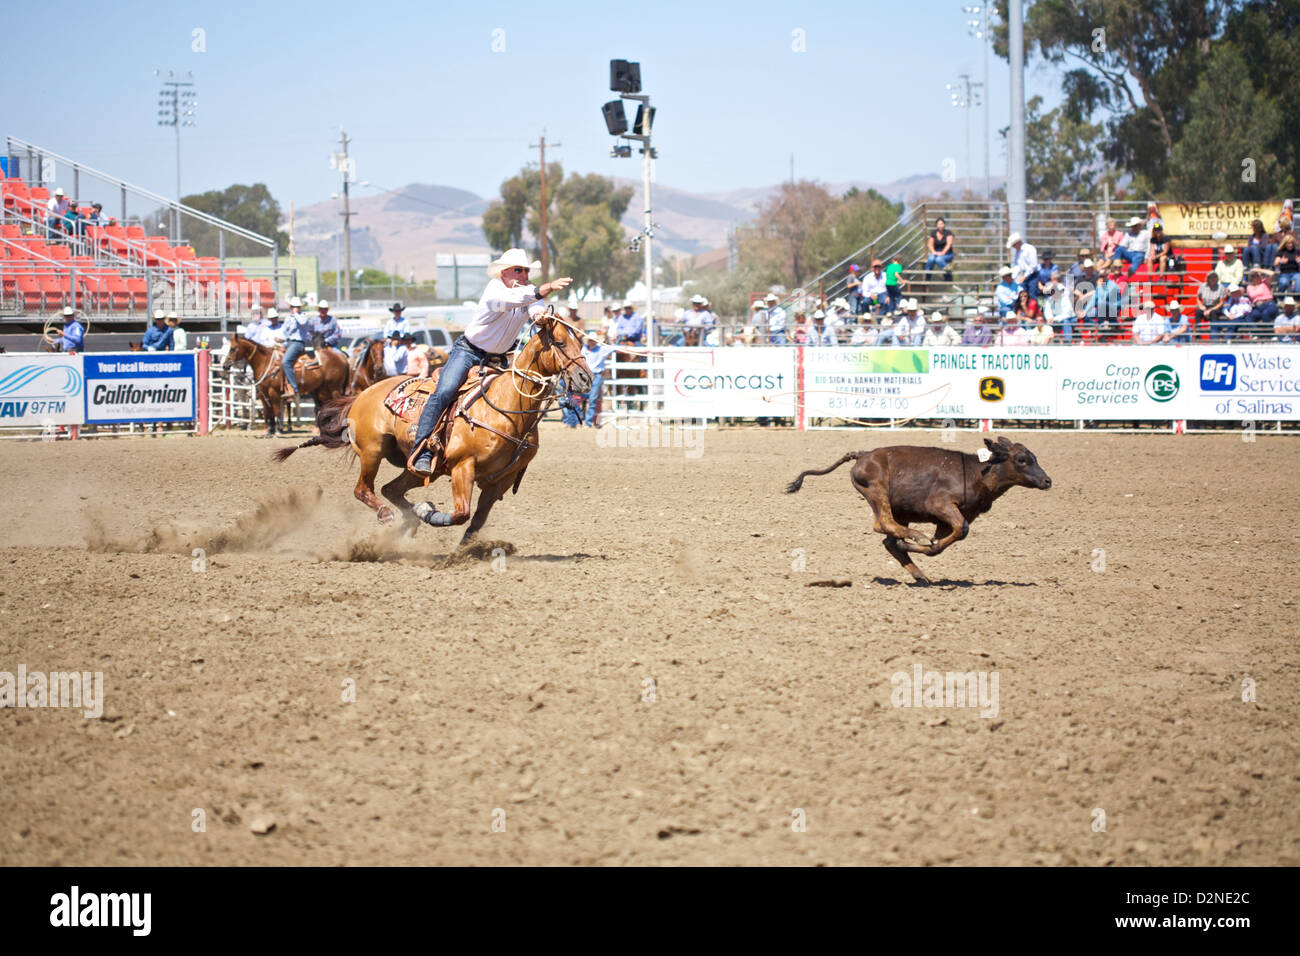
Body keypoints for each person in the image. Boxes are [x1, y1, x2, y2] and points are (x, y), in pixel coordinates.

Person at [409, 249, 572, 475]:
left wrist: (539, 316)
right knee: (444, 391)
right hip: (468, 352)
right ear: (504, 272)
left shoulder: (526, 292)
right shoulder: (495, 290)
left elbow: (534, 306)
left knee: (520, 399)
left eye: (526, 270)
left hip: (499, 357)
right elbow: (516, 300)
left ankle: (511, 450)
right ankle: (422, 450)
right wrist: (547, 287)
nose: (524, 274)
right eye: (519, 270)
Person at [579, 332, 615, 426]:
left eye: (594, 341)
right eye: (590, 341)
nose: (592, 342)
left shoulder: (602, 349)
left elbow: (614, 348)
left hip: (596, 376)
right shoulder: (584, 349)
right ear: (588, 341)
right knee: (579, 397)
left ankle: (588, 422)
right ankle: (582, 419)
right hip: (585, 376)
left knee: (592, 400)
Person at [280, 298, 313, 398]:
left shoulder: (303, 317)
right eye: (293, 307)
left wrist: (295, 314)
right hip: (288, 342)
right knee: (274, 356)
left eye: (297, 307)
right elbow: (284, 332)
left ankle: (293, 388)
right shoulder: (288, 318)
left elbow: (302, 323)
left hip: (298, 343)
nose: (294, 309)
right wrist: (279, 339)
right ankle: (280, 385)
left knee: (285, 362)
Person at [1040, 278, 1075, 342]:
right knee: (1046, 325)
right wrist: (1050, 318)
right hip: (1056, 320)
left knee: (1065, 322)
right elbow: (1047, 311)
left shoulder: (1065, 299)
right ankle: (1047, 343)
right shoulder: (1049, 300)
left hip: (1070, 319)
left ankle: (1068, 343)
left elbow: (1067, 314)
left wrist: (1054, 319)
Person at [1007, 232, 1040, 296]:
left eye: (1013, 245)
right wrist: (1013, 277)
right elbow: (1017, 266)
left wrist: (1024, 277)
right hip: (1023, 275)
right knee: (1022, 294)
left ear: (1018, 243)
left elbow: (1033, 265)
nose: (1013, 247)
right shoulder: (1017, 252)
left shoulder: (1030, 249)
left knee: (1032, 294)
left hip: (1033, 276)